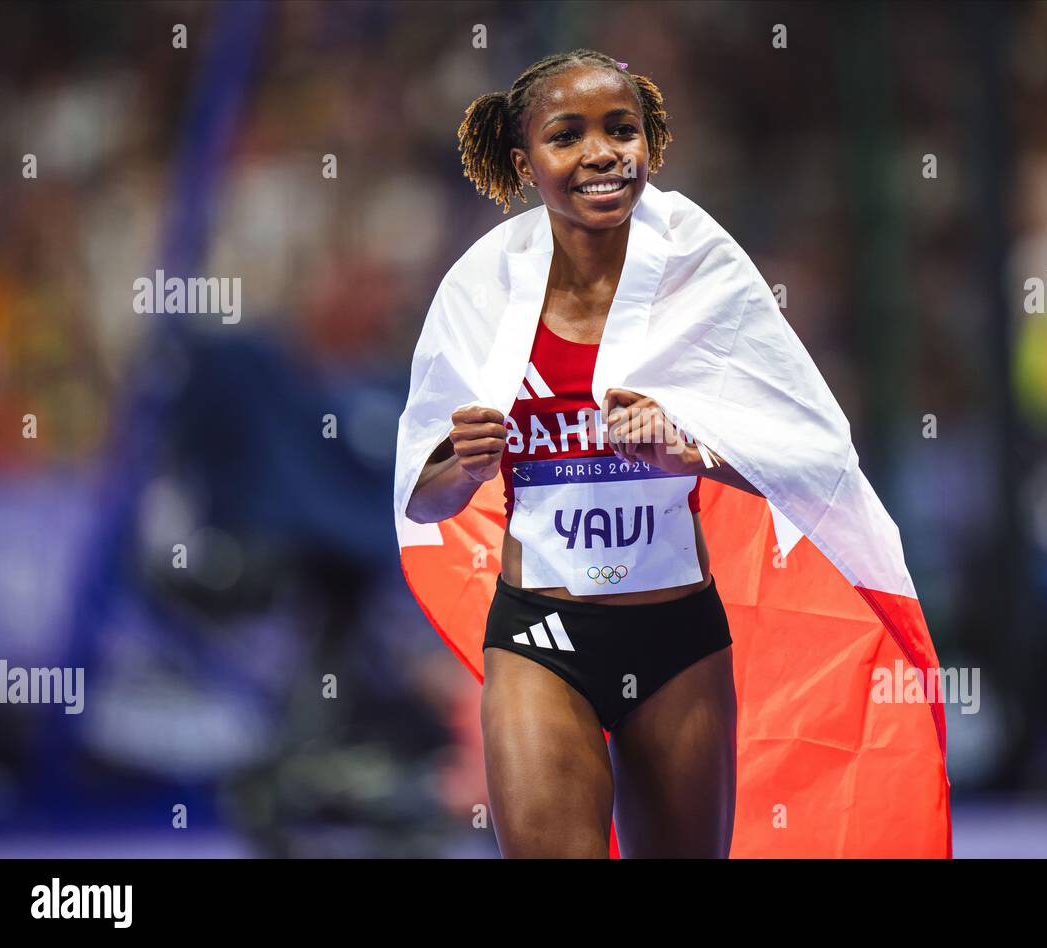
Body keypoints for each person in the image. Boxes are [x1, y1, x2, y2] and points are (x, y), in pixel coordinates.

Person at [395, 49, 952, 859]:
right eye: (567, 135)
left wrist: (691, 455)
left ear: (648, 143)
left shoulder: (704, 269)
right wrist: (464, 464)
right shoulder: (480, 289)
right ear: (524, 162)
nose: (600, 153)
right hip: (540, 638)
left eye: (622, 130)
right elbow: (426, 499)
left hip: (677, 645)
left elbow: (805, 454)